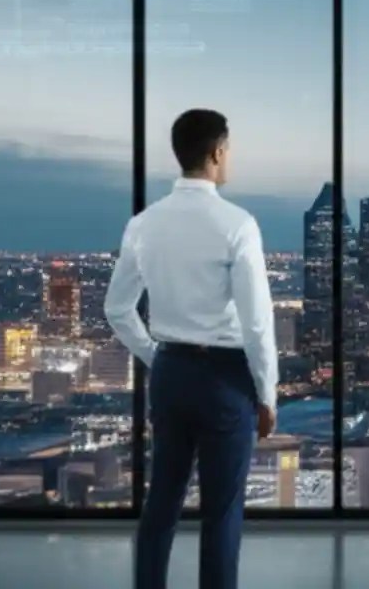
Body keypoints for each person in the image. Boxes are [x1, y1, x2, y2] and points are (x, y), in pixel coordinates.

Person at [105, 108, 277, 589]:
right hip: (225, 377)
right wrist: (268, 394)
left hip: (170, 373)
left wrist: (154, 356)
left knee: (162, 502)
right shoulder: (237, 225)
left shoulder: (143, 224)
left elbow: (117, 308)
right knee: (221, 513)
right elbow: (258, 322)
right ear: (217, 152)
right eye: (229, 150)